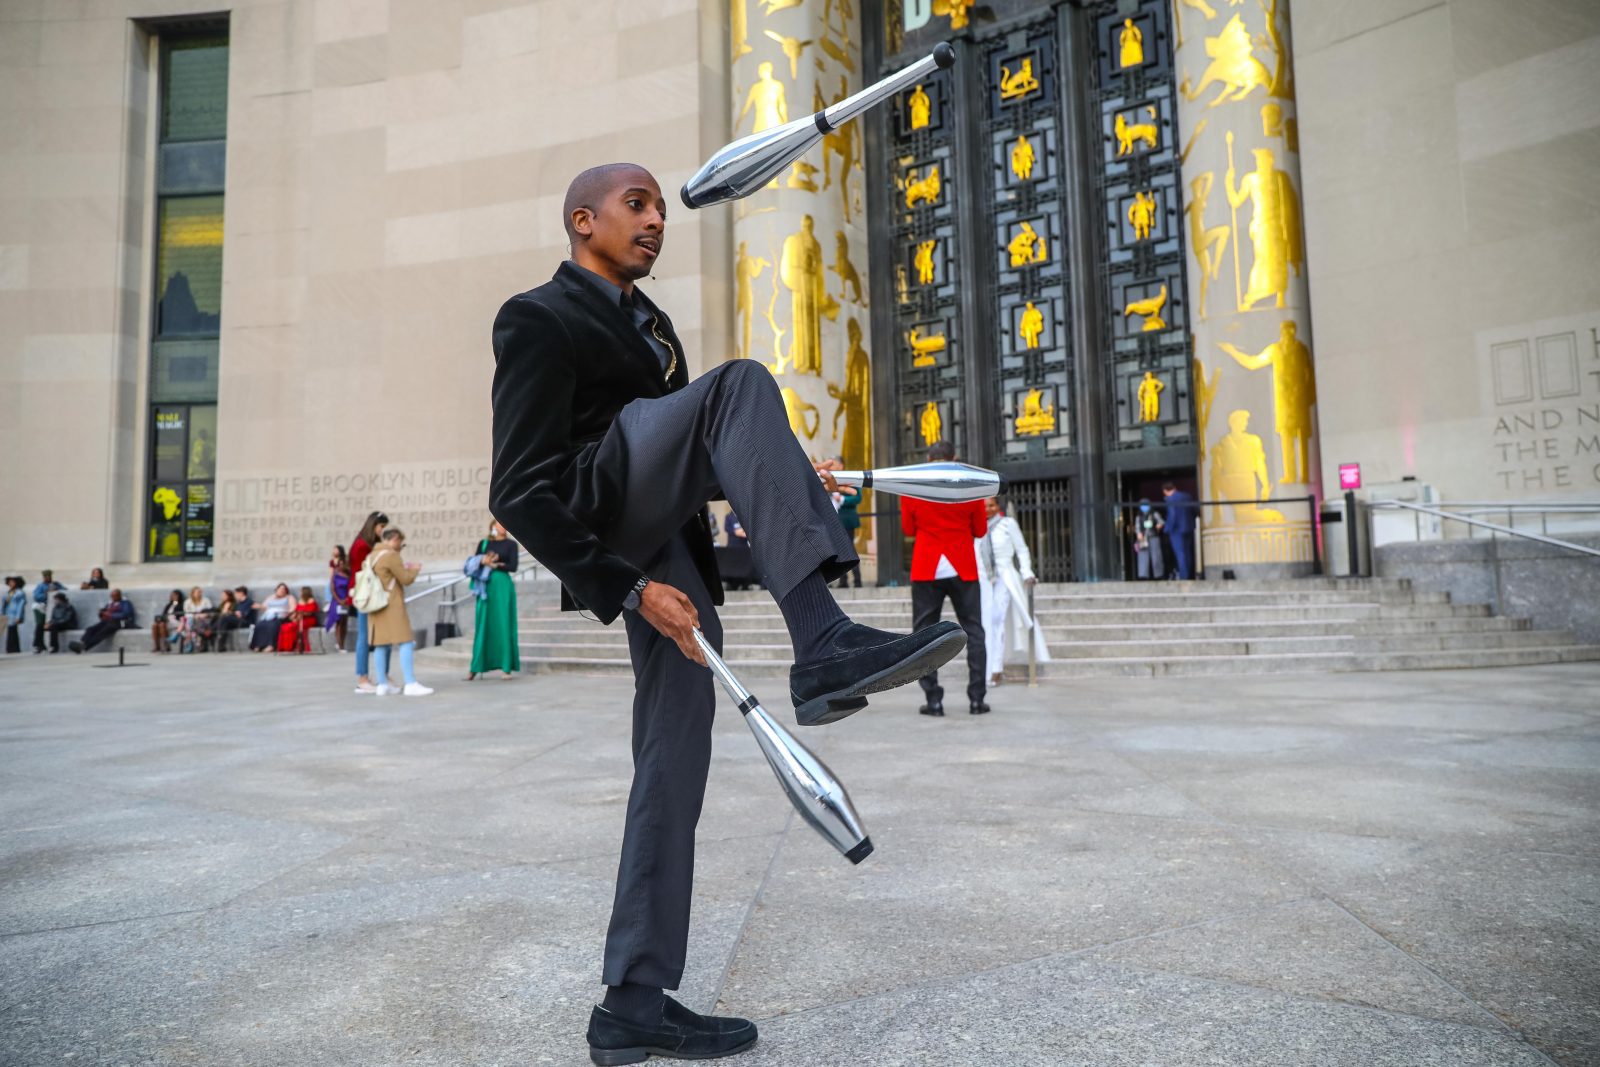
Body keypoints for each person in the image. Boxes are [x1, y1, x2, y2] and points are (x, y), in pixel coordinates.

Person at [488, 163, 962, 1063]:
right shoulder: (536, 316)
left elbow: (690, 442)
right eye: (638, 205)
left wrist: (774, 465)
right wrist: (628, 586)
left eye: (663, 206)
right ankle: (822, 640)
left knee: (675, 755)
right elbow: (518, 490)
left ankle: (631, 1000)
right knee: (742, 380)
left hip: (665, 532)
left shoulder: (655, 330)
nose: (658, 219)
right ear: (582, 219)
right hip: (605, 519)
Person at [901, 441, 990, 717]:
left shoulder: (913, 487)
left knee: (925, 635)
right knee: (974, 631)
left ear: (928, 458)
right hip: (962, 564)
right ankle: (976, 699)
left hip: (928, 565)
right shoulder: (969, 486)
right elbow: (979, 530)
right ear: (954, 458)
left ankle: (934, 700)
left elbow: (908, 529)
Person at [978, 497, 1050, 686]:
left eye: (991, 505)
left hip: (1004, 578)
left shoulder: (1008, 524)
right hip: (983, 581)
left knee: (997, 621)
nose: (988, 509)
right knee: (986, 624)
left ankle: (996, 669)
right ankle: (986, 669)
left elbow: (1022, 550)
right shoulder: (977, 528)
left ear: (998, 507)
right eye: (984, 506)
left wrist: (1027, 572)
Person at [363, 528, 431, 695]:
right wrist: (414, 569)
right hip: (391, 604)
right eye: (400, 542)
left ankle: (382, 684)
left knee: (381, 644)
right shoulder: (391, 555)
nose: (401, 546)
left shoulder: (372, 556)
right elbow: (405, 579)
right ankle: (410, 683)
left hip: (375, 605)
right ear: (394, 539)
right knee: (406, 642)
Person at [467, 519, 521, 681]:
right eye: (500, 523)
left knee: (504, 623)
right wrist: (485, 561)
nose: (503, 526)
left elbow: (513, 566)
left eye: (505, 524)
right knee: (483, 624)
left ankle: (506, 667)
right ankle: (475, 667)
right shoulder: (484, 544)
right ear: (492, 526)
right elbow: (474, 563)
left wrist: (496, 564)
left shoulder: (511, 544)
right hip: (485, 587)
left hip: (503, 586)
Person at [349, 511, 388, 693]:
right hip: (366, 595)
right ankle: (363, 678)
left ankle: (381, 675)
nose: (382, 531)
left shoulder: (367, 544)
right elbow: (363, 573)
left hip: (369, 594)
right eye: (381, 527)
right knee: (364, 636)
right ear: (373, 526)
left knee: (374, 636)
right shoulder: (362, 546)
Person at [69, 589, 134, 653]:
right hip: (110, 621)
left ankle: (85, 646)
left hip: (123, 622)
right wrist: (102, 613)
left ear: (119, 596)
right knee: (91, 629)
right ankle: (82, 643)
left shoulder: (126, 603)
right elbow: (105, 612)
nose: (113, 598)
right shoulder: (110, 603)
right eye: (112, 596)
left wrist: (110, 615)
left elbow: (126, 614)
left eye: (115, 596)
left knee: (103, 632)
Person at [1162, 481, 1196, 579]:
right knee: (1188, 553)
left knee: (1180, 554)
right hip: (1189, 528)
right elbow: (1195, 510)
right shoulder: (1187, 496)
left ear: (1165, 491)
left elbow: (1172, 515)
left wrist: (1167, 528)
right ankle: (1189, 575)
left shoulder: (1170, 499)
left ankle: (1184, 577)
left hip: (1176, 530)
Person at [250, 583, 294, 651]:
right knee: (259, 625)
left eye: (283, 589)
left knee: (272, 626)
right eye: (280, 589)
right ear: (276, 589)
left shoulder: (289, 597)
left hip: (281, 616)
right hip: (269, 616)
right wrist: (258, 606)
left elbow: (292, 608)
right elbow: (264, 606)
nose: (281, 590)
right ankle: (258, 645)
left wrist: (286, 612)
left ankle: (271, 645)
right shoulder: (271, 597)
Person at [30, 570, 64, 654]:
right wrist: (46, 594)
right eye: (46, 576)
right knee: (40, 625)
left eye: (49, 576)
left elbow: (64, 591)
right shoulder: (41, 586)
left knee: (52, 625)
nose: (48, 577)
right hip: (42, 608)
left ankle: (51, 646)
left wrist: (56, 589)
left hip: (53, 608)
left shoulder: (56, 584)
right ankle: (38, 645)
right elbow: (37, 597)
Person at [277, 586, 319, 653]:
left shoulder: (311, 601)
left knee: (296, 626)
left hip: (308, 620)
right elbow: (296, 611)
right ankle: (286, 647)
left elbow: (310, 613)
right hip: (299, 619)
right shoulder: (300, 601)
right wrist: (293, 617)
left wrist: (300, 615)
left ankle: (298, 646)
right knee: (286, 627)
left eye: (301, 592)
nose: (300, 593)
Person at [327, 546, 353, 652]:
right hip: (338, 600)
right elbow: (332, 588)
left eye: (343, 563)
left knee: (344, 622)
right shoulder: (336, 575)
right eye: (340, 563)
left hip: (345, 599)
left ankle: (342, 643)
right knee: (338, 622)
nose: (342, 564)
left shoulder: (348, 576)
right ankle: (339, 644)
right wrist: (338, 600)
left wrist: (347, 599)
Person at [1132, 499, 1166, 579]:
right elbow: (1137, 526)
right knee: (1143, 557)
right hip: (1143, 539)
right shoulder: (1139, 516)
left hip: (1154, 536)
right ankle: (1143, 575)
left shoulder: (1154, 514)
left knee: (1156, 556)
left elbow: (1161, 522)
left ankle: (1159, 574)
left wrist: (1158, 525)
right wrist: (1138, 533)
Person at [182, 586, 216, 651]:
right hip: (192, 619)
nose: (199, 593)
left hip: (204, 619)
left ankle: (190, 642)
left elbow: (210, 610)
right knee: (190, 620)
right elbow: (186, 612)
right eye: (198, 592)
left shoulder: (206, 600)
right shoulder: (187, 602)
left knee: (192, 623)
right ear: (193, 593)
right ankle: (195, 641)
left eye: (200, 592)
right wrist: (195, 616)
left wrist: (203, 615)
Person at [2, 577, 24, 654]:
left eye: (13, 582)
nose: (11, 584)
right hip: (8, 614)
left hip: (14, 614)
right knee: (10, 631)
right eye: (10, 582)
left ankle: (14, 648)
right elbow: (4, 604)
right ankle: (10, 648)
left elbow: (20, 605)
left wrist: (18, 616)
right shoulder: (8, 592)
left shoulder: (19, 593)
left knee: (13, 631)